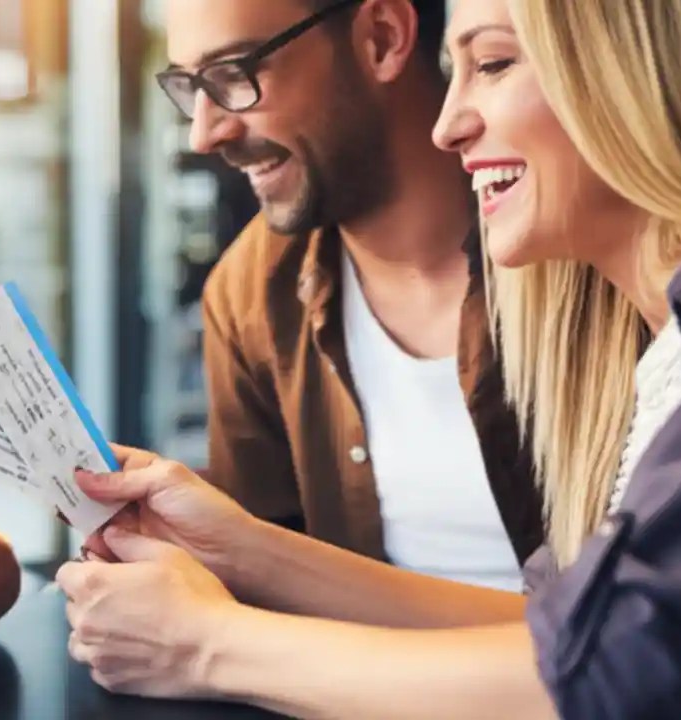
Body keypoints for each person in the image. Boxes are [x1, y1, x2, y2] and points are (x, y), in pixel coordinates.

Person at [57, 0, 681, 716]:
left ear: (626, 76)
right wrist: (240, 549)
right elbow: (563, 633)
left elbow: (619, 671)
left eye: (493, 63)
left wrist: (208, 646)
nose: (447, 124)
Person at [169, 0, 543, 591]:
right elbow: (260, 581)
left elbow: (638, 622)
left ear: (382, 38)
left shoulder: (573, 236)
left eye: (235, 74)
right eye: (188, 88)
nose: (205, 133)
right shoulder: (248, 294)